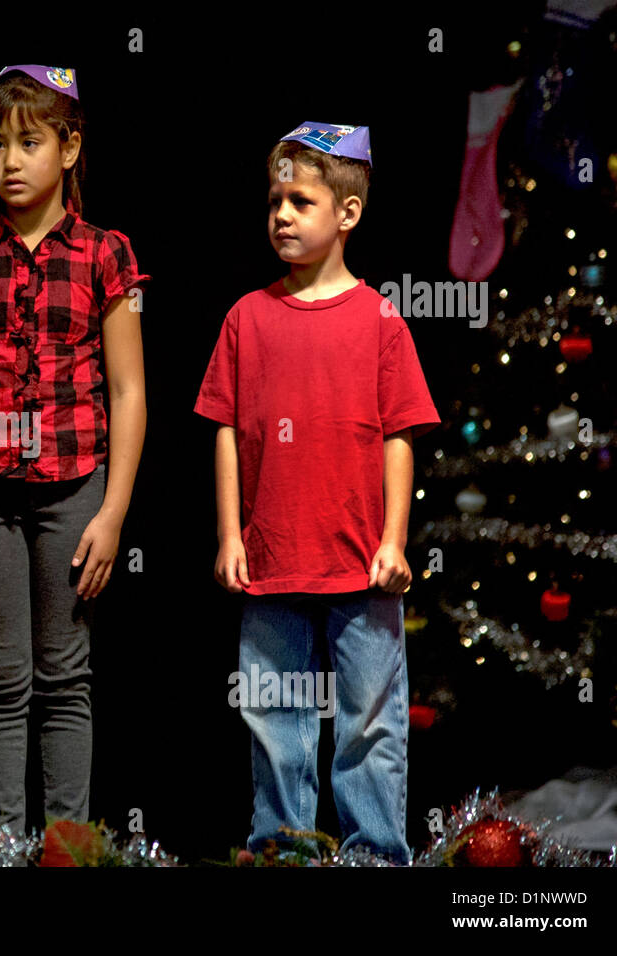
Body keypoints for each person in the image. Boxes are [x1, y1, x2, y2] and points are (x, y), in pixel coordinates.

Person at [195, 121, 441, 865]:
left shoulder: (381, 320)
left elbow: (400, 434)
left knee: (370, 721)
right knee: (276, 719)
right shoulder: (247, 316)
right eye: (275, 200)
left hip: (361, 562)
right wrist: (231, 534)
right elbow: (227, 432)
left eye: (301, 200)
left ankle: (374, 855)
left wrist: (395, 540)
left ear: (348, 214)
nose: (282, 215)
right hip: (272, 560)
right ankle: (283, 851)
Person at [0, 66, 148, 834]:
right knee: (2, 673)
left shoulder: (104, 254)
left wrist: (114, 512)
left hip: (74, 483)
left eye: (29, 142)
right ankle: (0, 846)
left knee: (66, 675)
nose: (10, 160)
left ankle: (67, 847)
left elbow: (127, 392)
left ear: (71, 147)